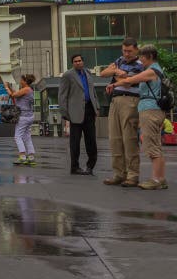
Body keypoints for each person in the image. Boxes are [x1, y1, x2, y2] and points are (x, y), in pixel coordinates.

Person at [109, 45, 169, 190]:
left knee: (152, 147)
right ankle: (161, 179)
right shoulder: (156, 69)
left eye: (142, 56)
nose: (140, 59)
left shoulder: (151, 71)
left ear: (149, 57)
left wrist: (115, 83)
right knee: (155, 146)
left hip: (150, 111)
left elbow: (131, 80)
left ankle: (156, 179)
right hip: (153, 110)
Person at [100, 38, 144, 186]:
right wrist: (118, 72)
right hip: (115, 100)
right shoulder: (119, 60)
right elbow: (103, 73)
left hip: (130, 100)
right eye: (124, 50)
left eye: (129, 51)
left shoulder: (140, 64)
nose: (126, 54)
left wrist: (116, 74)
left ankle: (132, 175)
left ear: (136, 50)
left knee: (129, 138)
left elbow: (128, 81)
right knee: (115, 138)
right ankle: (119, 173)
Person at [58, 54, 100, 175]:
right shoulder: (68, 75)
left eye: (79, 60)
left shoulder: (88, 73)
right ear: (73, 63)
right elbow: (62, 95)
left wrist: (96, 106)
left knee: (91, 140)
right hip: (74, 113)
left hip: (89, 111)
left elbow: (93, 91)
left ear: (83, 61)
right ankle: (74, 167)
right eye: (75, 61)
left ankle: (90, 166)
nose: (78, 63)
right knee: (75, 142)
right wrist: (64, 112)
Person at [5, 74, 37, 165]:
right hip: (29, 116)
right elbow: (16, 94)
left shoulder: (26, 89)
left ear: (25, 81)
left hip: (23, 116)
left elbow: (13, 95)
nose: (20, 81)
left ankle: (22, 156)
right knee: (27, 136)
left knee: (17, 136)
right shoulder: (29, 90)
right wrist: (10, 88)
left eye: (21, 80)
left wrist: (7, 87)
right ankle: (31, 157)